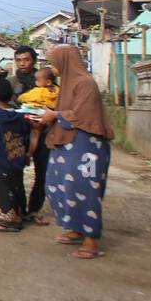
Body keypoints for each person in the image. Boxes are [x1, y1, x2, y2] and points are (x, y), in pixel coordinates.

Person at [39, 45, 115, 259]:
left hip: (86, 147)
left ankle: (90, 241)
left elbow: (84, 114)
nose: (52, 67)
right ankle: (76, 229)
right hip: (66, 143)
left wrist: (55, 116)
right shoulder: (67, 84)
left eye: (54, 62)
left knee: (84, 189)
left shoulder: (85, 83)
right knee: (58, 186)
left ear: (65, 60)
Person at [8, 45, 51, 225]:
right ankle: (19, 209)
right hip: (18, 133)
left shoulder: (45, 80)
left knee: (42, 173)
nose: (22, 63)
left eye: (26, 59)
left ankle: (33, 210)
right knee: (15, 172)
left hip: (43, 132)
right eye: (18, 60)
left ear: (34, 60)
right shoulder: (11, 82)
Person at [0, 78, 29, 232]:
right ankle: (19, 214)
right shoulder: (19, 115)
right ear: (11, 96)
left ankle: (6, 220)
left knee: (4, 188)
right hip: (18, 156)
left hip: (3, 158)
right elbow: (26, 134)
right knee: (17, 185)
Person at [18, 66, 61, 157]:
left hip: (37, 114)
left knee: (35, 133)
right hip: (49, 114)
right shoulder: (57, 90)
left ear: (48, 82)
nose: (36, 82)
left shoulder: (39, 91)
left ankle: (30, 152)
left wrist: (19, 98)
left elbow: (24, 97)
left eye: (38, 80)